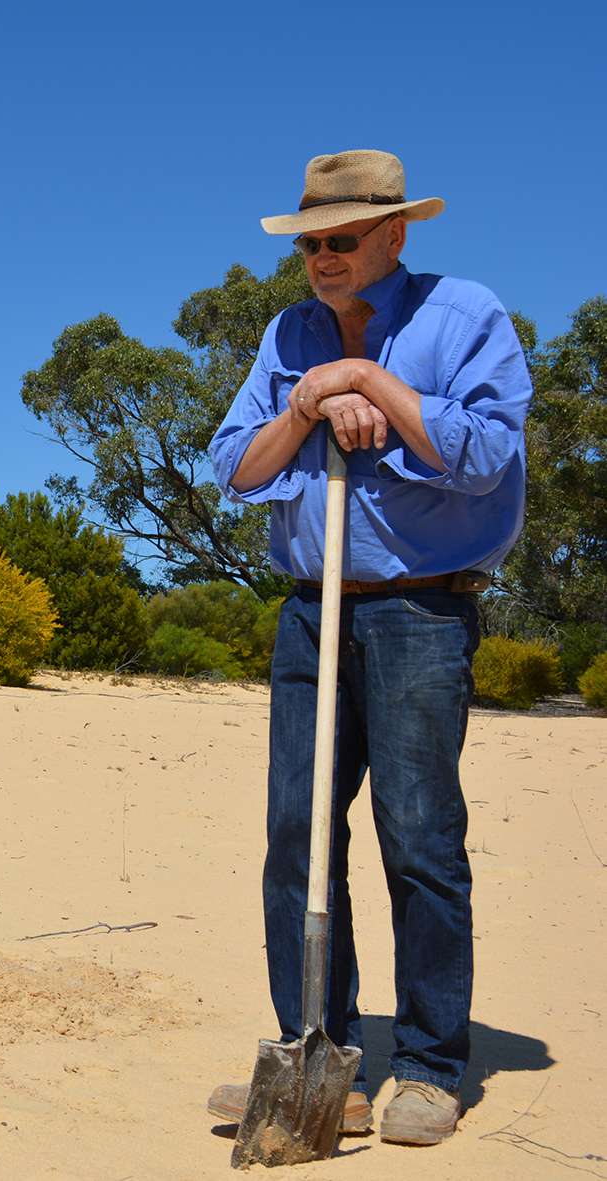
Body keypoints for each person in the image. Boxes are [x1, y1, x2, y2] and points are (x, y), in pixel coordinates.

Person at [204, 151, 532, 1145]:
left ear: (394, 232)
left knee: (418, 838)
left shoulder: (462, 314)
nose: (320, 257)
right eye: (309, 240)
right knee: (295, 837)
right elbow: (235, 463)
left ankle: (429, 1065)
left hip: (418, 614)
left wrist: (368, 382)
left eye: (340, 237)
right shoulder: (285, 333)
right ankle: (320, 1053)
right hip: (310, 611)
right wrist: (306, 399)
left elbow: (481, 458)